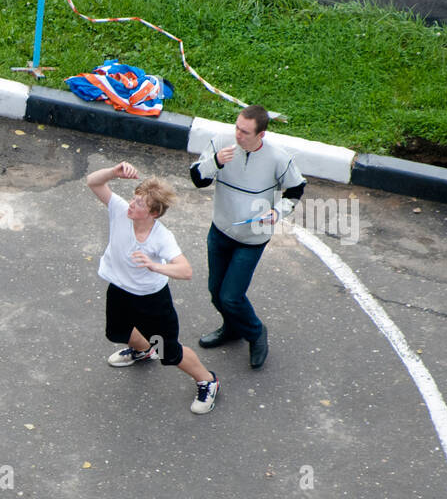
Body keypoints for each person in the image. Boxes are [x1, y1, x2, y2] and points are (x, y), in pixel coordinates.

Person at [86, 162, 219, 414]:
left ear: (153, 214)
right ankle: (144, 351)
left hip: (150, 302)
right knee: (118, 332)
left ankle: (208, 381)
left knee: (168, 351)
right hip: (120, 291)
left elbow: (185, 270)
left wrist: (154, 266)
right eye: (134, 199)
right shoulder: (119, 210)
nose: (132, 205)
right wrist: (114, 172)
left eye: (139, 204)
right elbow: (94, 181)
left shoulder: (162, 237)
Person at [189, 103, 306, 368]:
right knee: (216, 293)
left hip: (252, 239)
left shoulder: (278, 158)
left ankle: (255, 333)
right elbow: (198, 179)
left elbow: (296, 189)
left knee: (231, 295)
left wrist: (278, 212)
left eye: (244, 132)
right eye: (237, 128)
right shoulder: (221, 144)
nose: (237, 135)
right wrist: (216, 161)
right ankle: (231, 329)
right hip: (220, 230)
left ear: (260, 135)